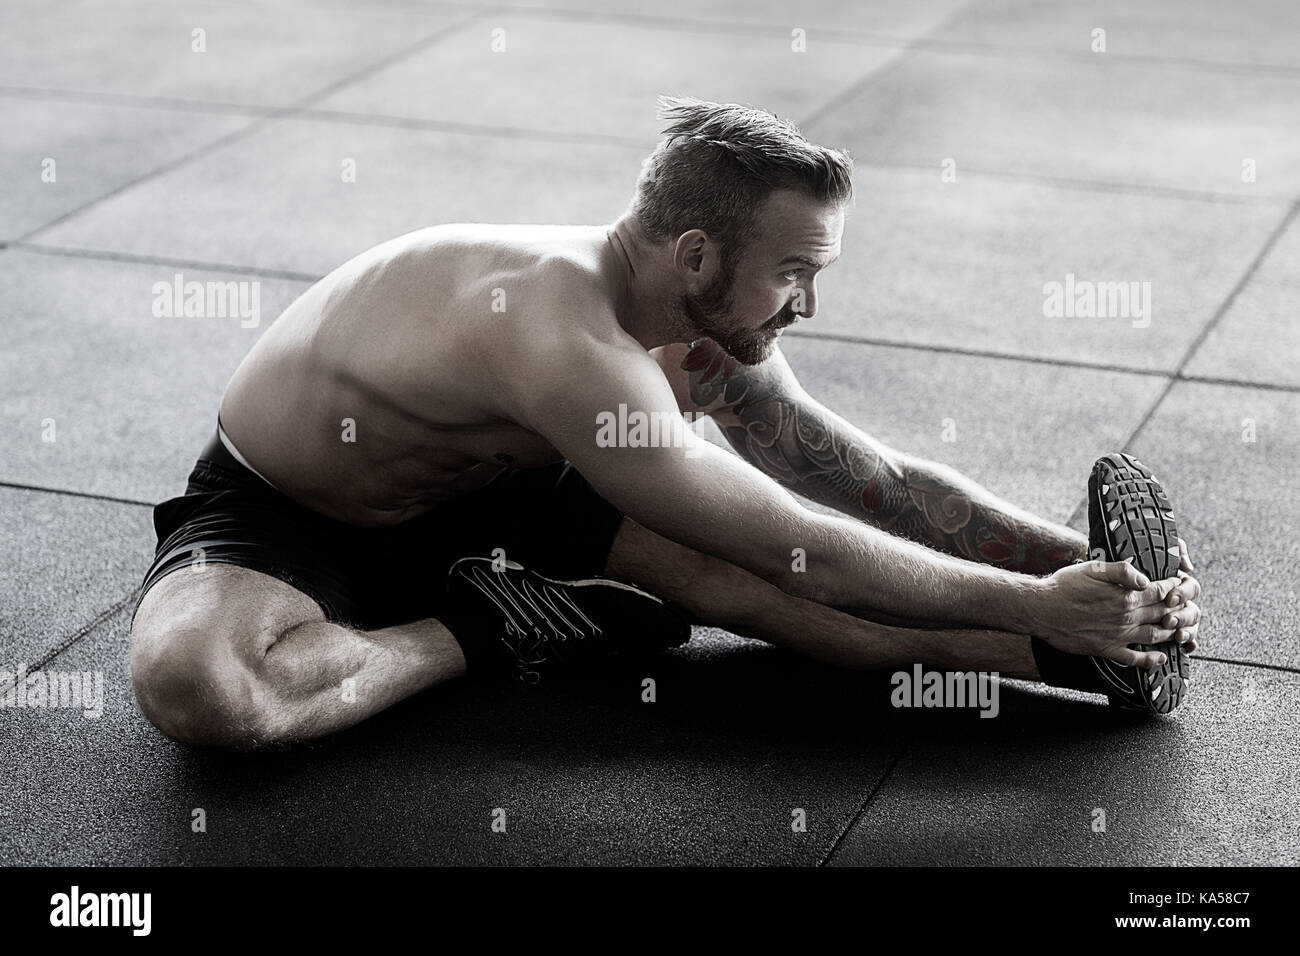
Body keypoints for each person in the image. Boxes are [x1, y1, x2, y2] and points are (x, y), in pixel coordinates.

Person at [128, 97, 1201, 749]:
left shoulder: (697, 333)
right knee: (203, 689)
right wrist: (1038, 595)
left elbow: (868, 483)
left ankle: (1083, 658)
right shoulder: (563, 337)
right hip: (289, 507)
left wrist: (1091, 577)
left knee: (749, 591)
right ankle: (489, 624)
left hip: (493, 479)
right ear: (694, 255)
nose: (807, 306)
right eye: (793, 274)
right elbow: (807, 548)